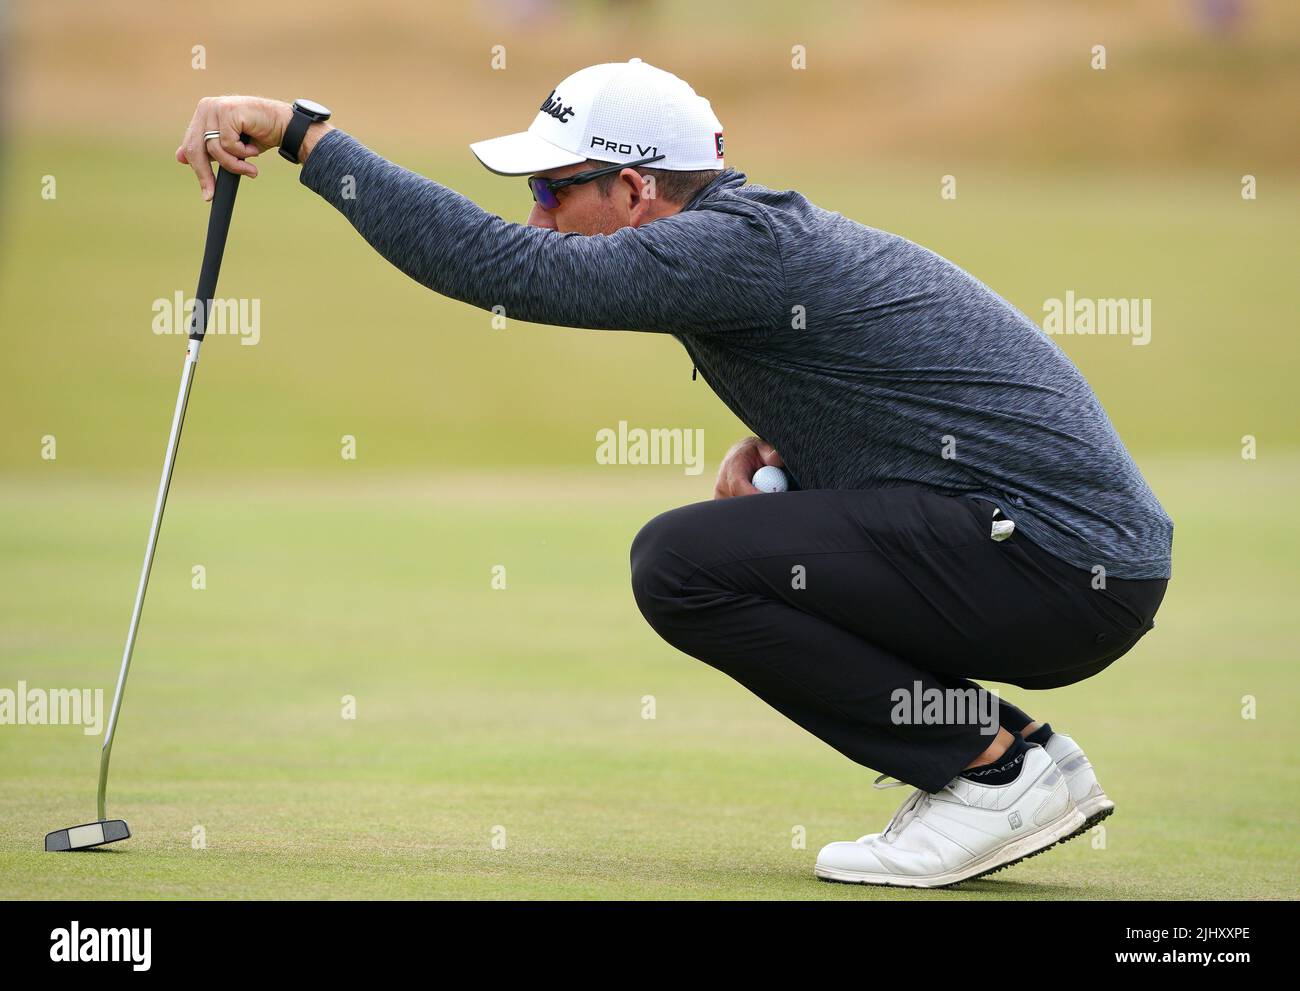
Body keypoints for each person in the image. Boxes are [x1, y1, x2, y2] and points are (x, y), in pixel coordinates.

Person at [177, 59, 1172, 888]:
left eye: (553, 189)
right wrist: (793, 448)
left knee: (681, 563)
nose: (535, 217)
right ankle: (1004, 756)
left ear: (637, 187)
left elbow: (497, 270)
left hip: (1059, 565)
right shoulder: (748, 241)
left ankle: (990, 770)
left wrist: (307, 138)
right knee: (717, 551)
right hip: (1055, 556)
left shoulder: (731, 246)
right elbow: (920, 400)